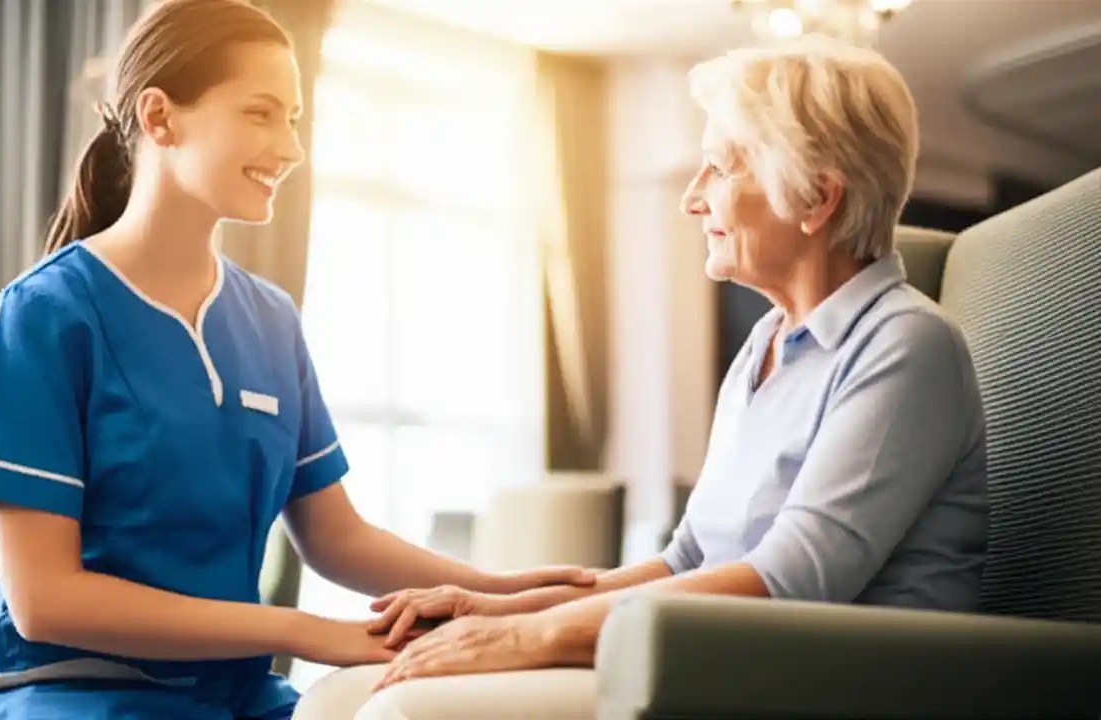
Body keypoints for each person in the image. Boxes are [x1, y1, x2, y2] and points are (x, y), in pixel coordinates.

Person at [295, 34, 989, 720]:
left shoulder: (907, 344)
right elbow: (685, 557)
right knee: (338, 698)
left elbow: (794, 580)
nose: (693, 198)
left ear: (815, 197)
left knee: (406, 714)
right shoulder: (764, 346)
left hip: (836, 678)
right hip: (724, 653)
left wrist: (525, 637)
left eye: (719, 167)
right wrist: (496, 609)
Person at [0, 1, 593, 718]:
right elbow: (45, 602)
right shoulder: (44, 314)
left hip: (235, 692)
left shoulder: (270, 320)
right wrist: (307, 632)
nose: (290, 149)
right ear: (160, 118)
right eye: (261, 114)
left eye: (293, 119)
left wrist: (497, 596)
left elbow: (335, 536)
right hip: (68, 690)